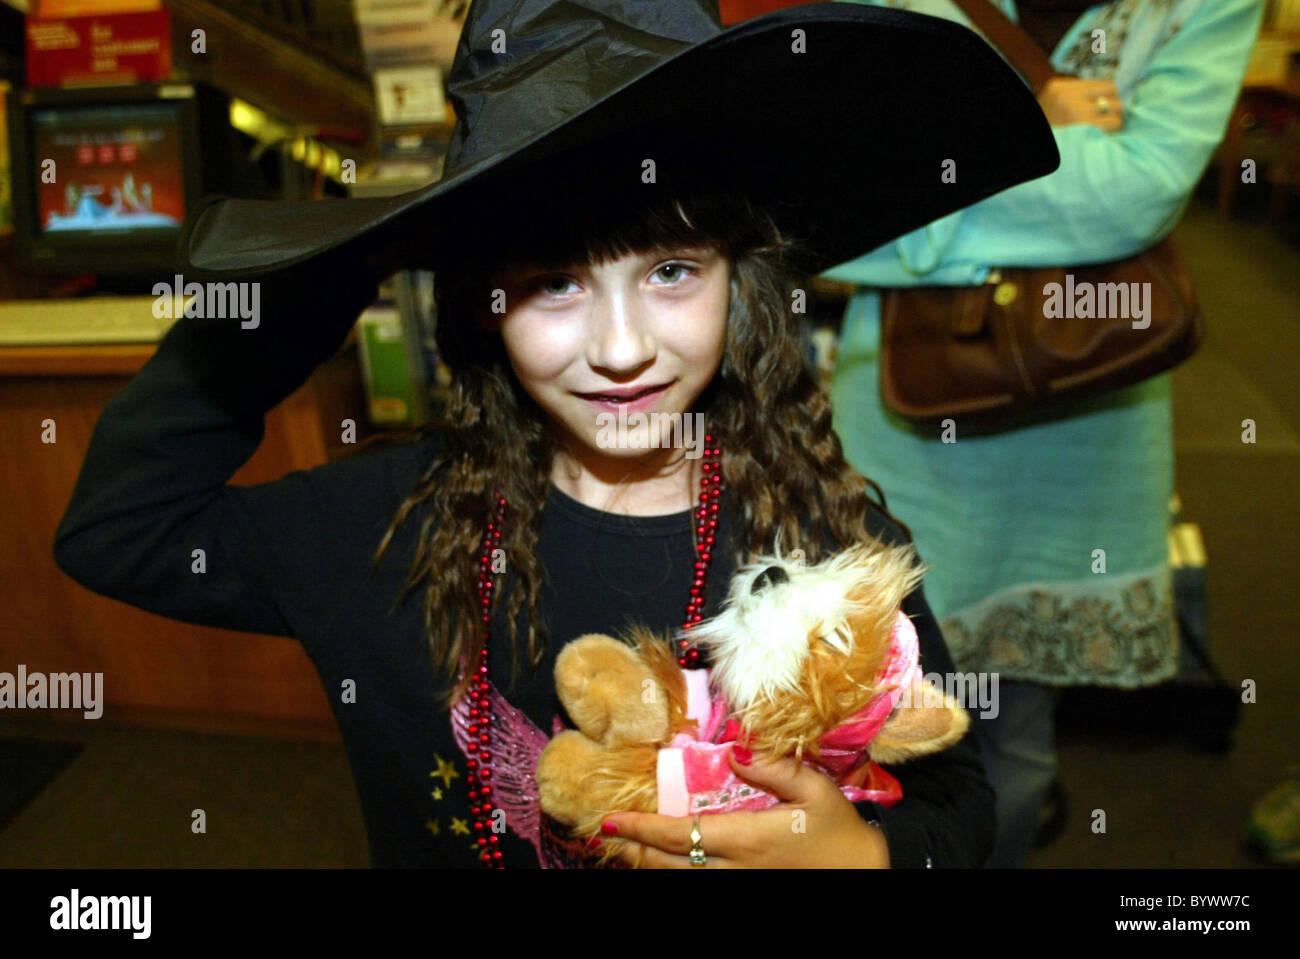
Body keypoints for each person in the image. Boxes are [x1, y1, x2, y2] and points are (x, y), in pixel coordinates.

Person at [52, 0, 1056, 868]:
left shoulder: (823, 533)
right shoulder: (385, 528)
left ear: (740, 288)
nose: (622, 349)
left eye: (670, 271)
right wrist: (315, 284)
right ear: (483, 306)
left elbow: (956, 798)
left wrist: (869, 852)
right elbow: (119, 528)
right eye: (554, 283)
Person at [824, 0, 1264, 867]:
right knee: (846, 720)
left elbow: (1137, 194)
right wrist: (1039, 131)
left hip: (1075, 423)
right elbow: (826, 192)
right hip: (902, 428)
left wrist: (922, 196)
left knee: (1008, 737)